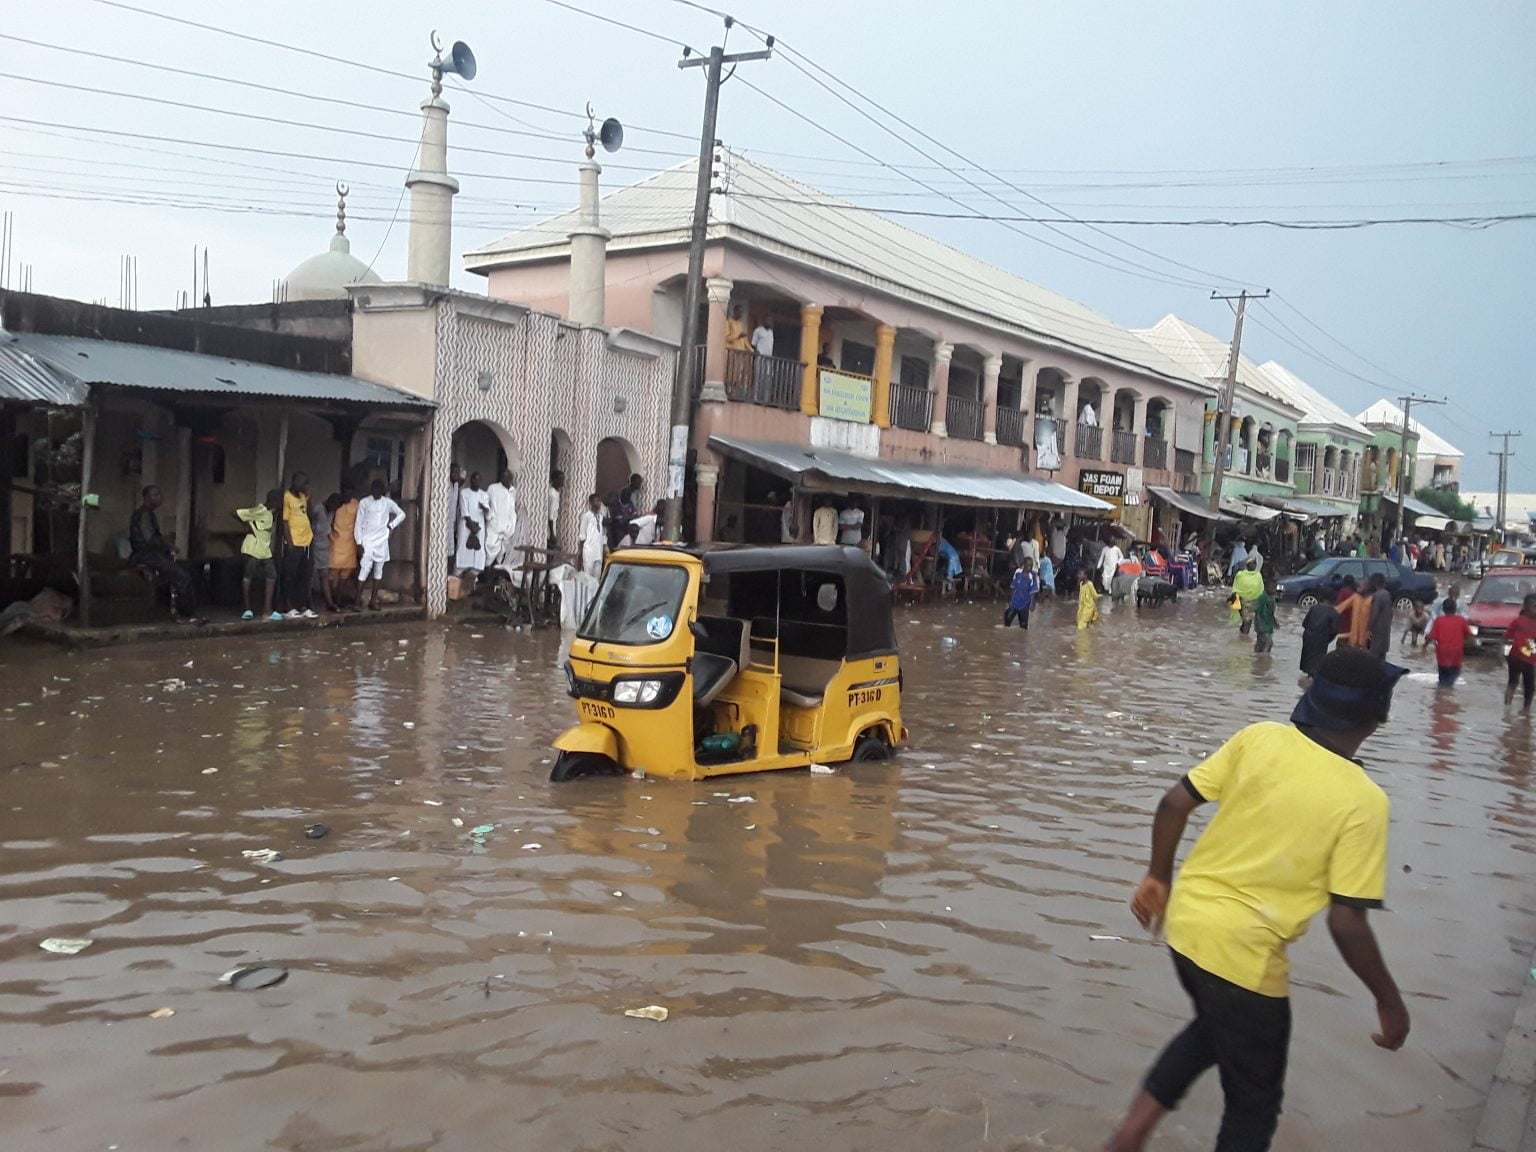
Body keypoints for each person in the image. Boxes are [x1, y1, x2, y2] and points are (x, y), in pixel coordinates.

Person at [1104, 648, 1410, 1152]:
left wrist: (1158, 878)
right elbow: (1347, 923)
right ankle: (1130, 1136)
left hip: (1185, 930)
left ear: (1309, 699)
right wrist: (1389, 1002)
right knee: (1254, 1103)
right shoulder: (1365, 801)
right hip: (1246, 958)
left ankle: (1130, 1134)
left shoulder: (1259, 738)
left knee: (1215, 1029)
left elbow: (1173, 803)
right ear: (1376, 721)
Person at [128, 485, 200, 622]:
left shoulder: (148, 514)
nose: (159, 498)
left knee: (179, 573)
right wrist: (168, 545)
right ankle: (186, 615)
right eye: (155, 495)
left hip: (149, 554)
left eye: (159, 494)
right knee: (182, 577)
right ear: (146, 498)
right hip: (146, 555)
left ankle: (176, 611)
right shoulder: (144, 515)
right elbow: (150, 540)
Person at [354, 479, 406, 611]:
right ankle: (357, 600)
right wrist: (359, 542)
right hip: (367, 541)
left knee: (378, 571)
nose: (376, 492)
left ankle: (373, 600)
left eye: (379, 490)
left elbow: (402, 514)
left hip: (382, 541)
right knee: (364, 570)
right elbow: (358, 523)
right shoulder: (364, 502)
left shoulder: (387, 503)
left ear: (382, 491)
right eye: (374, 489)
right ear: (371, 490)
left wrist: (391, 526)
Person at [234, 489, 280, 622]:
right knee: (248, 577)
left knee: (271, 575)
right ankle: (247, 610)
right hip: (252, 549)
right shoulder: (259, 510)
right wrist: (248, 526)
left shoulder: (271, 514)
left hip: (264, 551)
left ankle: (267, 610)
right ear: (274, 501)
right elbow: (235, 513)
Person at [281, 472, 317, 619]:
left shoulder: (303, 497)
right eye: (304, 483)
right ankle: (289, 607)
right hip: (294, 542)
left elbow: (310, 515)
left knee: (305, 575)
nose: (305, 486)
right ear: (295, 482)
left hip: (307, 542)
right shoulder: (287, 497)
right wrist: (289, 543)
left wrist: (309, 498)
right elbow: (284, 522)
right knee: (291, 575)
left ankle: (303, 606)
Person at [1425, 598, 1471, 688]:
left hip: (1442, 653)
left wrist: (1424, 646)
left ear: (1443, 609)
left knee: (1443, 676)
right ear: (1455, 609)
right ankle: (1447, 694)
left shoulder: (1438, 621)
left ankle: (1441, 695)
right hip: (1456, 654)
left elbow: (1431, 637)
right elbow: (1469, 635)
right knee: (1453, 675)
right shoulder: (1461, 620)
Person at [327, 487, 360, 611]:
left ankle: (338, 599)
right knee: (332, 573)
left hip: (350, 542)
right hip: (335, 541)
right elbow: (329, 521)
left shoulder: (357, 505)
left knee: (345, 573)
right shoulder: (337, 504)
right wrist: (331, 535)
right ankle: (329, 599)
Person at [454, 471, 491, 578]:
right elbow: (464, 511)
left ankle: (473, 575)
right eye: (475, 479)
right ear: (471, 480)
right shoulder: (464, 492)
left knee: (478, 551)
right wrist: (471, 526)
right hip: (466, 525)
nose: (476, 481)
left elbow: (487, 509)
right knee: (463, 547)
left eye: (479, 479)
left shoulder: (484, 495)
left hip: (479, 527)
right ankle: (458, 573)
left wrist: (484, 508)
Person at [1299, 588, 1341, 678]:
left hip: (1308, 634)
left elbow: (1304, 623)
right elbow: (1335, 630)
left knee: (1307, 656)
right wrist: (1328, 639)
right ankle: (1314, 676)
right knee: (1318, 658)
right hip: (1322, 637)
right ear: (1334, 600)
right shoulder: (1334, 613)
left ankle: (1308, 676)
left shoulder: (1314, 608)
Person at [1505, 593, 1536, 712]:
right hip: (1515, 657)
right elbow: (1506, 637)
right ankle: (1507, 708)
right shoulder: (1518, 621)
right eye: (1534, 606)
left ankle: (1526, 711)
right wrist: (1500, 653)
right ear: (1526, 607)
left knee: (1530, 687)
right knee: (1513, 683)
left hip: (1530, 660)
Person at [485, 469, 518, 568]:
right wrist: (490, 517)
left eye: (508, 477)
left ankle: (496, 575)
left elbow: (512, 508)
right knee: (489, 551)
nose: (505, 479)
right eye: (503, 476)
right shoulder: (493, 488)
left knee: (503, 553)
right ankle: (485, 575)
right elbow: (486, 503)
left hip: (508, 529)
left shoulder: (514, 491)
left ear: (511, 479)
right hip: (494, 526)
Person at [310, 493, 335, 610]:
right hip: (313, 544)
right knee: (310, 574)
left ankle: (329, 602)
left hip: (324, 546)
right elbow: (309, 523)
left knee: (324, 574)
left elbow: (328, 528)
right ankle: (307, 602)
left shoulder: (331, 511)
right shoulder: (318, 509)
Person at [1004, 557, 1040, 629]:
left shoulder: (1033, 576)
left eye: (1031, 566)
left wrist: (1032, 604)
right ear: (1024, 565)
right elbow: (1013, 586)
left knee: (1023, 626)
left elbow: (1033, 591)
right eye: (1028, 565)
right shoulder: (1018, 572)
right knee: (1007, 619)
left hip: (1025, 604)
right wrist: (1010, 600)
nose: (1030, 568)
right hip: (1014, 602)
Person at [1232, 559, 1264, 636]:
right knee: (1247, 621)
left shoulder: (1257, 576)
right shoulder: (1241, 575)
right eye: (1252, 564)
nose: (1253, 565)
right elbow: (1236, 588)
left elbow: (1261, 590)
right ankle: (1244, 639)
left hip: (1251, 602)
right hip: (1244, 601)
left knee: (1247, 620)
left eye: (1254, 564)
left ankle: (1242, 635)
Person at [1366, 572, 1394, 659]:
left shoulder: (1377, 595)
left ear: (1373, 583)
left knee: (1373, 656)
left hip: (1377, 630)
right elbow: (1391, 613)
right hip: (1386, 629)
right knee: (1382, 656)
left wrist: (1368, 628)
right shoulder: (1387, 594)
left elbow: (1374, 613)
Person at [578, 493, 606, 579]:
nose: (599, 503)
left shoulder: (601, 516)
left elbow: (603, 534)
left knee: (597, 578)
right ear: (591, 503)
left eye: (600, 501)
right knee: (587, 577)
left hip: (599, 551)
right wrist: (580, 552)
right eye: (597, 501)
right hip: (589, 551)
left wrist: (604, 547)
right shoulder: (586, 516)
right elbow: (582, 535)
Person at [1253, 574, 1278, 654]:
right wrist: (1259, 625)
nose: (1274, 590)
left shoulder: (1272, 598)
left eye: (1275, 588)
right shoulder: (1262, 597)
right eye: (1271, 588)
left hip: (1268, 625)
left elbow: (1271, 612)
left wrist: (1275, 621)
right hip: (1262, 625)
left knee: (1260, 644)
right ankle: (1264, 659)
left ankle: (1257, 658)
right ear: (1265, 587)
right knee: (1269, 642)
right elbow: (1257, 612)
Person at [447, 463, 462, 569]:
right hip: (443, 523)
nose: (458, 475)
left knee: (451, 552)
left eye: (458, 473)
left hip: (452, 523)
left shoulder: (455, 485)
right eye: (455, 472)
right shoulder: (445, 484)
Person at [548, 469, 564, 550]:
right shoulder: (552, 494)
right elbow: (550, 515)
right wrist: (552, 534)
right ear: (554, 480)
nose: (562, 481)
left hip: (553, 525)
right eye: (560, 479)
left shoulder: (557, 492)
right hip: (549, 528)